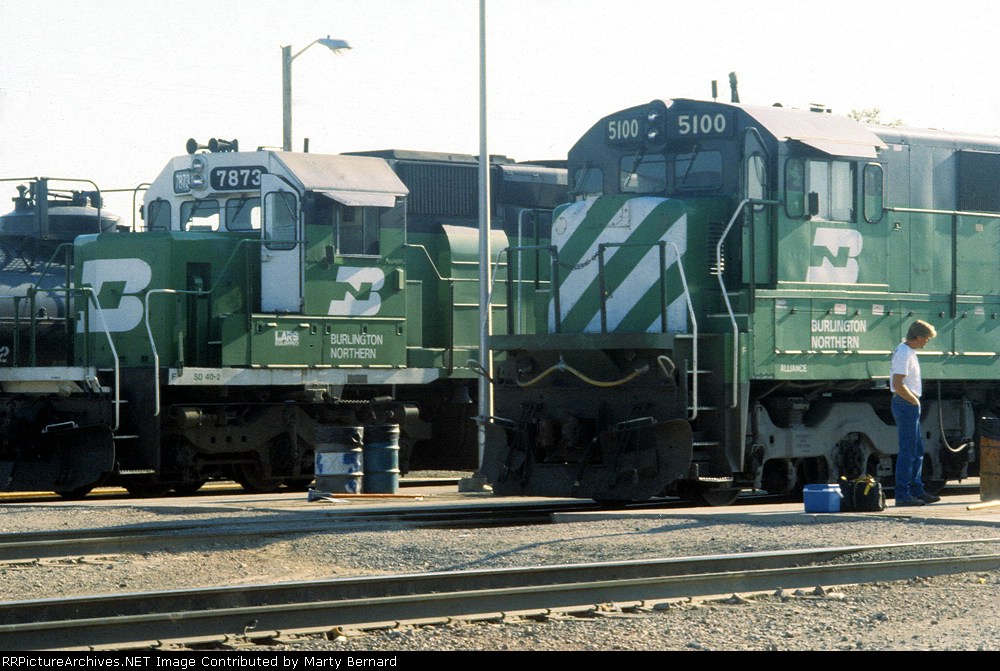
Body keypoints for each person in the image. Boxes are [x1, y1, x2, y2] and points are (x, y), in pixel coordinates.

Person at [890, 320, 939, 507]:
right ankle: (903, 494)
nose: (926, 342)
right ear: (917, 337)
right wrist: (914, 400)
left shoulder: (908, 352)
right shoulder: (903, 353)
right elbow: (897, 383)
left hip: (907, 403)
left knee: (917, 449)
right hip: (905, 404)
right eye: (926, 339)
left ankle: (916, 489)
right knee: (908, 450)